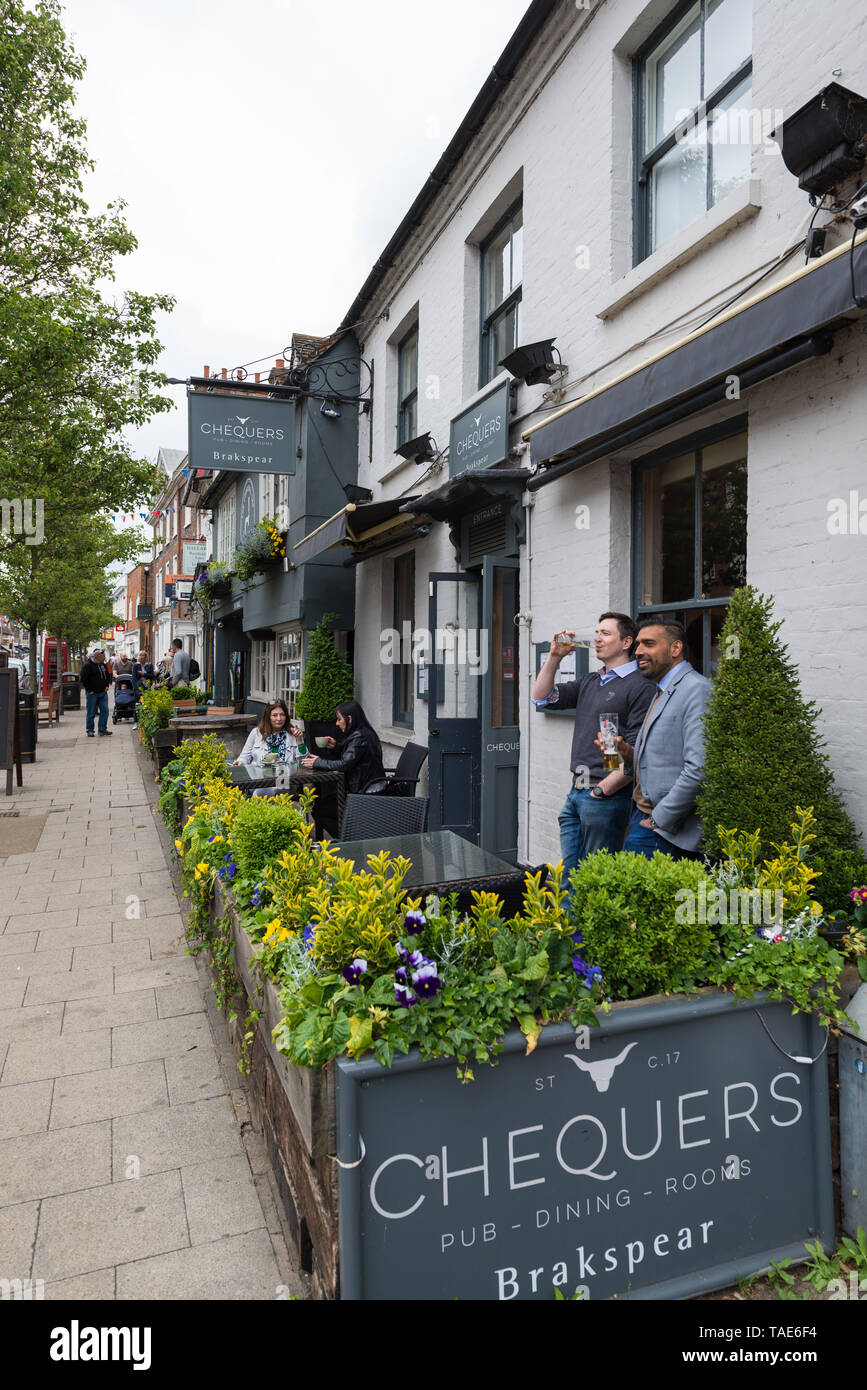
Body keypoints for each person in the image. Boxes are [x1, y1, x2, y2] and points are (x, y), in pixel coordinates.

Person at [532, 613, 656, 874]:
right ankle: (566, 917)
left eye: (606, 633)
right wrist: (555, 657)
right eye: (597, 633)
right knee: (569, 877)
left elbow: (638, 749)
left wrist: (603, 790)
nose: (597, 638)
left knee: (595, 878)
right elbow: (541, 699)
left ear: (626, 643)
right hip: (576, 790)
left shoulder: (640, 686)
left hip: (606, 796)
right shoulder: (591, 680)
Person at [604, 616, 713, 860]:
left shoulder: (697, 689)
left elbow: (700, 769)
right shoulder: (662, 689)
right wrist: (628, 753)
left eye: (649, 644)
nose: (639, 651)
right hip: (642, 816)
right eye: (638, 645)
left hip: (665, 830)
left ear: (675, 649)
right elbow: (663, 757)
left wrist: (658, 819)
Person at [301, 700, 385, 837]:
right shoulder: (362, 733)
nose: (337, 723)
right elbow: (353, 757)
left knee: (320, 810)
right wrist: (336, 747)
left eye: (339, 719)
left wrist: (317, 762)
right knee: (323, 804)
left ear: (349, 719)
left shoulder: (360, 736)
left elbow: (343, 765)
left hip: (365, 793)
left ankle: (348, 839)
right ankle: (347, 835)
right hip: (363, 787)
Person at [233, 700, 303, 766]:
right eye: (275, 715)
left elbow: (303, 762)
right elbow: (244, 757)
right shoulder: (256, 733)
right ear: (268, 717)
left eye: (282, 714)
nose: (279, 718)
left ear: (286, 716)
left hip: (287, 777)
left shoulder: (294, 733)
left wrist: (299, 740)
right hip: (260, 777)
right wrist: (240, 762)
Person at [80, 648, 113, 737]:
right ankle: (90, 730)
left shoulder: (103, 664)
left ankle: (102, 729)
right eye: (103, 656)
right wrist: (89, 690)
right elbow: (83, 679)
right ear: (97, 656)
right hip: (92, 693)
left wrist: (107, 685)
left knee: (105, 711)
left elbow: (107, 675)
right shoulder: (87, 665)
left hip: (103, 692)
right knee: (91, 713)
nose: (105, 658)